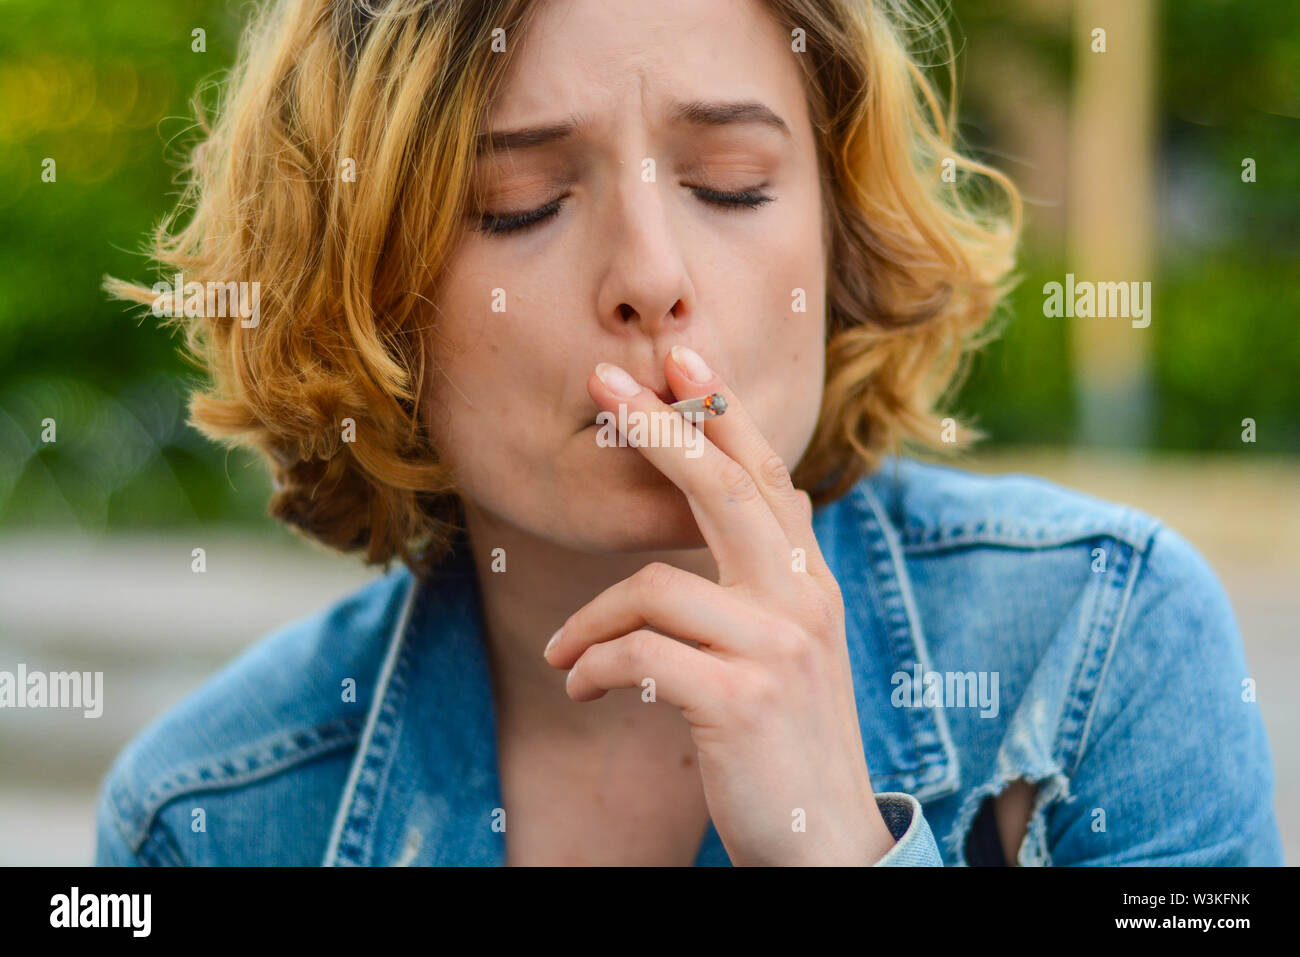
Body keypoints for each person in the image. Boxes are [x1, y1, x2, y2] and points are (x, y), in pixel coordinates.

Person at [96, 0, 1282, 866]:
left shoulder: (1104, 640)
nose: (652, 278)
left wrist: (835, 850)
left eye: (730, 184)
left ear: (841, 238)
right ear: (368, 295)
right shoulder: (205, 820)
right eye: (519, 204)